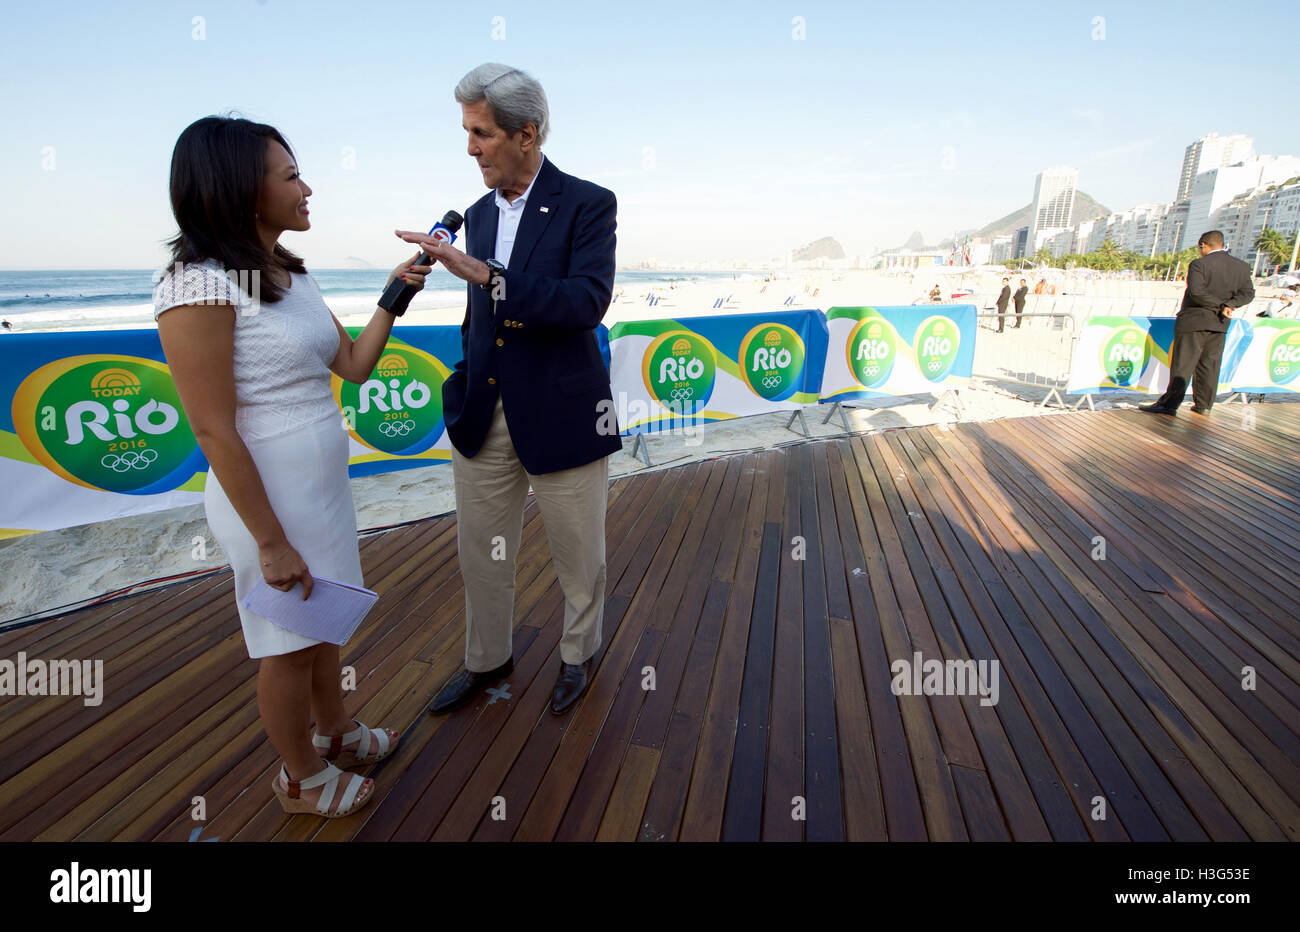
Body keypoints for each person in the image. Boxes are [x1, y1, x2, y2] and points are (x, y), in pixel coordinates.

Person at [154, 117, 417, 817]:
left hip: (318, 488)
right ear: (241, 189)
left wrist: (395, 294)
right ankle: (300, 777)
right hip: (265, 499)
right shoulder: (197, 287)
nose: (307, 188)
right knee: (287, 644)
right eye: (291, 175)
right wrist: (269, 541)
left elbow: (354, 367)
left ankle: (336, 733)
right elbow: (212, 426)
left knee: (325, 624)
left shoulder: (288, 273)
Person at [397, 63, 621, 718]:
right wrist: (465, 380)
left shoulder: (589, 202)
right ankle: (486, 660)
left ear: (526, 134)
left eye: (481, 133)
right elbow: (481, 317)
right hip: (484, 414)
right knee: (481, 557)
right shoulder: (474, 214)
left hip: (563, 412)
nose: (470, 148)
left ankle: (580, 654)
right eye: (467, 132)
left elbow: (586, 302)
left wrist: (484, 273)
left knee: (579, 560)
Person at [1140, 230, 1254, 416]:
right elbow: (1248, 293)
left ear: (1203, 245)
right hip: (1220, 322)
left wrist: (1220, 305)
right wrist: (1229, 305)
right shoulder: (1241, 266)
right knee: (1210, 365)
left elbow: (1196, 292)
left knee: (1183, 364)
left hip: (1194, 320)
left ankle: (1170, 404)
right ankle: (1204, 405)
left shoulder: (1199, 264)